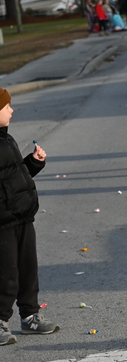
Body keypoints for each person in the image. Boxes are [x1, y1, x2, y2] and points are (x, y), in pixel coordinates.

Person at [0, 87, 58, 344]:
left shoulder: (6, 139)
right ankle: (0, 321)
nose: (11, 110)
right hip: (4, 222)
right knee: (6, 273)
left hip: (22, 216)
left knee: (28, 269)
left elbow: (15, 177)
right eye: (6, 106)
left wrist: (33, 163)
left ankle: (30, 316)